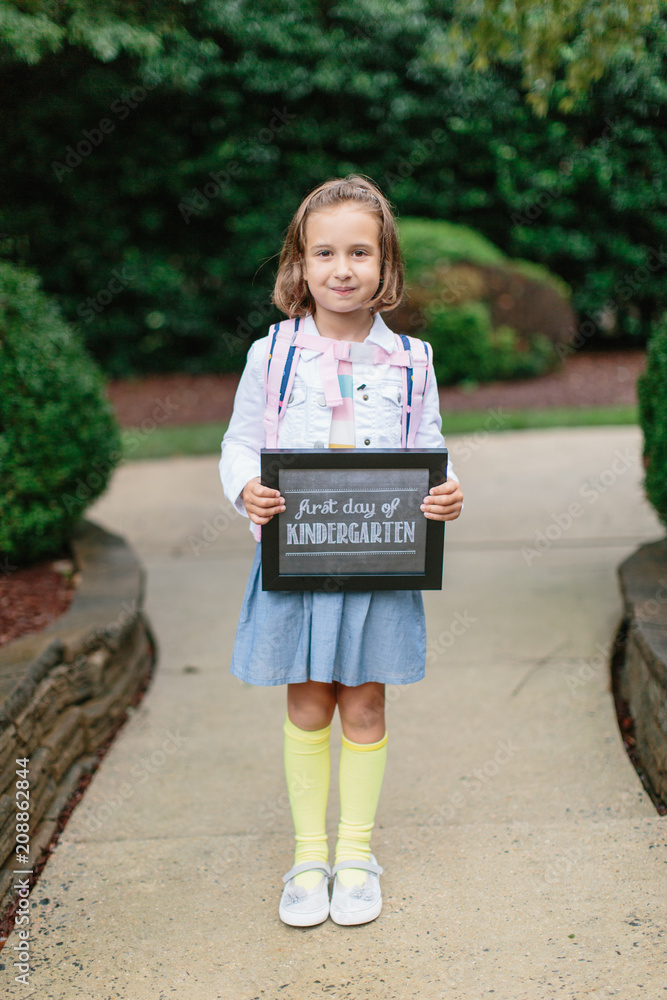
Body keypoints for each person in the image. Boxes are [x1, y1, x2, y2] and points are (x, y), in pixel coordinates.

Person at [219, 174, 463, 928]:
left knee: (363, 699)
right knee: (307, 699)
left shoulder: (413, 361)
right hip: (297, 562)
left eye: (360, 251)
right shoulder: (275, 355)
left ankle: (355, 857)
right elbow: (238, 444)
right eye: (324, 252)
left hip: (380, 564)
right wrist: (245, 491)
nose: (342, 268)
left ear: (386, 266)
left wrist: (446, 490)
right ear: (298, 265)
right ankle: (307, 858)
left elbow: (427, 448)